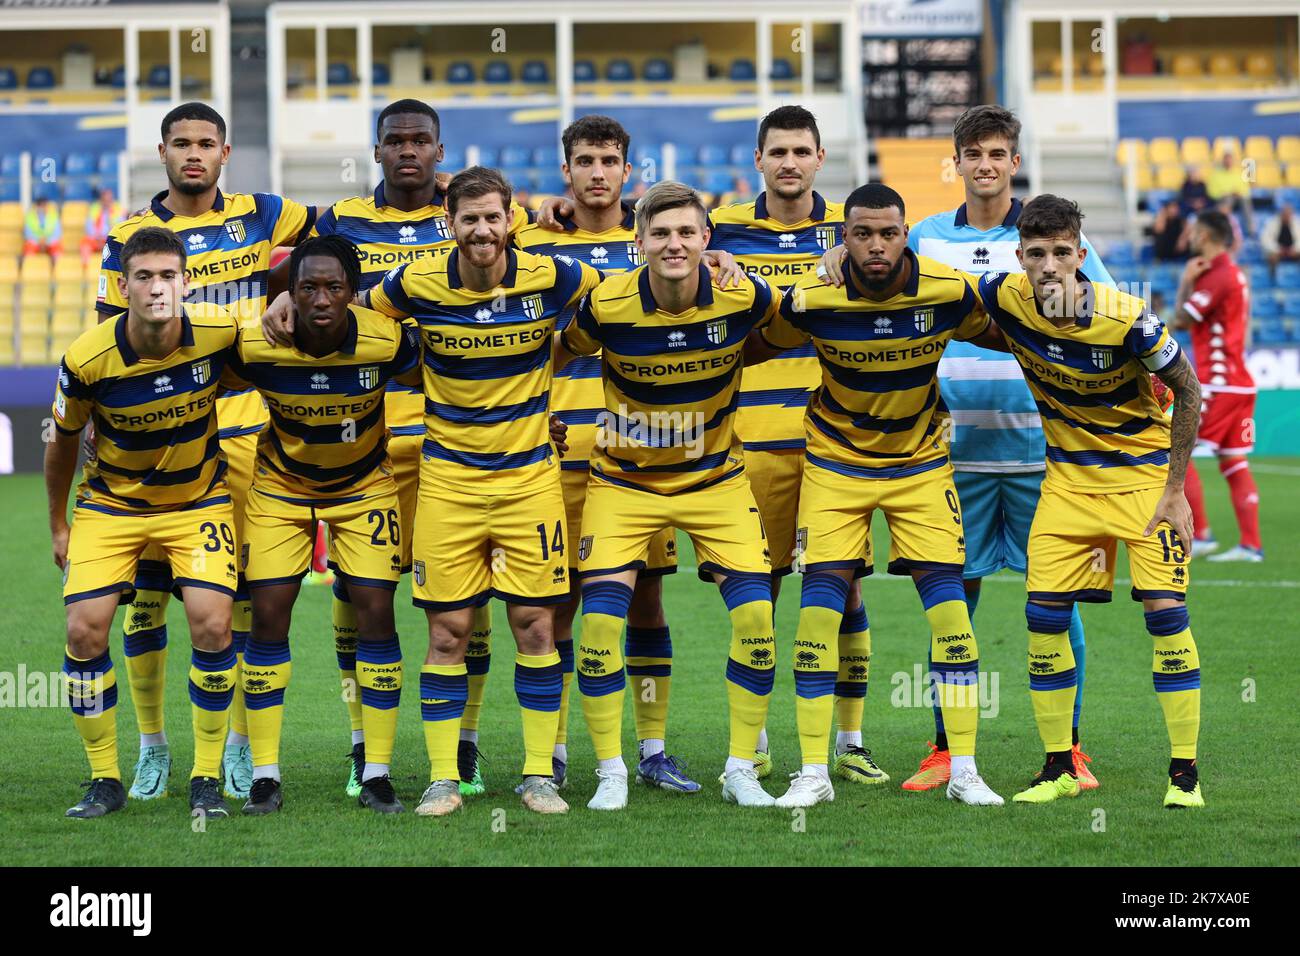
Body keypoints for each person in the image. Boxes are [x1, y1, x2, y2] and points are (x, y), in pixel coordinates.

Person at [817, 104, 1113, 791]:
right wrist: (838, 254)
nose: (985, 165)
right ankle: (946, 749)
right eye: (972, 153)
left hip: (1044, 451)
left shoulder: (1049, 236)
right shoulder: (922, 236)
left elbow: (1101, 310)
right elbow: (875, 269)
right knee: (953, 603)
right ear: (957, 161)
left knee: (1055, 602)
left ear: (1015, 161)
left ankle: (1068, 749)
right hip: (953, 454)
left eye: (997, 153)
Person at [748, 183, 1006, 808]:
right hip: (835, 467)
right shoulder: (814, 299)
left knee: (949, 612)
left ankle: (965, 768)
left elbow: (1013, 332)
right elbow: (743, 346)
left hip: (921, 466)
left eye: (888, 232)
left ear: (905, 232)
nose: (876, 245)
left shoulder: (947, 291)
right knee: (818, 611)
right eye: (861, 233)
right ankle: (814, 771)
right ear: (844, 237)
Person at [96, 101, 315, 804]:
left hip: (251, 436)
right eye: (181, 143)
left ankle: (238, 751)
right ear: (162, 152)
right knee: (147, 603)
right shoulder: (130, 237)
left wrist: (285, 293)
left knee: (239, 601)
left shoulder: (265, 213)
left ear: (226, 152)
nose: (194, 154)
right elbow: (113, 335)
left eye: (206, 143)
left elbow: (356, 232)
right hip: (164, 440)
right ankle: (153, 746)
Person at [367, 167, 602, 817]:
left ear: (510, 222)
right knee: (448, 632)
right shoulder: (414, 282)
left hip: (530, 485)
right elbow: (367, 316)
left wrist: (715, 255)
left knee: (535, 626)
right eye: (469, 219)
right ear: (450, 224)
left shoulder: (551, 275)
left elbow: (619, 292)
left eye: (492, 218)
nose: (481, 231)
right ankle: (444, 779)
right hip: (448, 486)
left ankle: (537, 777)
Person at [554, 180, 780, 810]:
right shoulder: (607, 304)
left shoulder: (743, 294)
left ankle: (741, 769)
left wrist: (837, 259)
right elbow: (551, 354)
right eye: (661, 233)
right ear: (639, 241)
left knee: (757, 618)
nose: (674, 244)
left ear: (708, 240)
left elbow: (797, 320)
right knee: (599, 620)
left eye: (687, 232)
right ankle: (612, 771)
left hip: (715, 480)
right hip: (623, 483)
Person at [975, 194, 1205, 809]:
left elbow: (1189, 388)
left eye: (1060, 252)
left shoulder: (1130, 320)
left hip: (1143, 486)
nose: (1048, 265)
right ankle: (1059, 766)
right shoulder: (1002, 295)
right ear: (1019, 257)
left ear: (1081, 254)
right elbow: (931, 291)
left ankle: (1184, 776)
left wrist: (1176, 489)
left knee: (1164, 615)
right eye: (1035, 253)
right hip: (1068, 486)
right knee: (1043, 618)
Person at [517, 115, 709, 795]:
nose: (597, 173)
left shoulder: (657, 238)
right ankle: (563, 748)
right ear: (564, 170)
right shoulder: (527, 237)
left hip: (640, 455)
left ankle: (653, 751)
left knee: (646, 605)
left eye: (609, 161)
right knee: (563, 606)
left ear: (629, 172)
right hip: (551, 456)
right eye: (584, 161)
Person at [708, 105, 882, 786]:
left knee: (844, 593)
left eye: (801, 151)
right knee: (761, 595)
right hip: (750, 445)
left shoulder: (854, 230)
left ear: (819, 159)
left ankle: (849, 740)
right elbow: (647, 248)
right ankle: (752, 744)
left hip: (836, 444)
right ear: (759, 160)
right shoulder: (721, 228)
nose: (788, 162)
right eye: (776, 151)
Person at [46, 226, 239, 819]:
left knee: (211, 625)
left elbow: (272, 370)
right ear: (123, 286)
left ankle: (206, 776)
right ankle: (105, 779)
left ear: (188, 281)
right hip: (112, 506)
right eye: (145, 277)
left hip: (198, 502)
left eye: (169, 276)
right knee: (84, 632)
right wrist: (59, 526)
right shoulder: (87, 357)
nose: (158, 288)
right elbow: (62, 442)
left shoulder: (219, 334)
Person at [224, 235, 420, 815]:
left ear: (353, 294)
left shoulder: (386, 342)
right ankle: (264, 776)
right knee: (267, 614)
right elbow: (202, 380)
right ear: (288, 292)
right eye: (307, 286)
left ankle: (377, 772)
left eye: (334, 286)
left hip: (365, 488)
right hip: (282, 489)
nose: (321, 298)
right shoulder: (257, 345)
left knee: (377, 611)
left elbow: (449, 383)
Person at [1173, 209, 1262, 562]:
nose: (1191, 237)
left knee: (1177, 450)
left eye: (1195, 231)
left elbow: (1181, 319)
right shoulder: (1234, 274)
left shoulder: (1218, 276)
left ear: (1206, 236)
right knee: (1234, 462)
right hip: (1240, 383)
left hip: (1217, 383)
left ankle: (1203, 535)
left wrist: (1184, 282)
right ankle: (1251, 546)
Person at [1206, 152, 1254, 234]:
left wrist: (1239, 193)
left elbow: (1245, 188)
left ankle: (1251, 229)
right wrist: (1224, 193)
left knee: (1246, 199)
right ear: (1223, 161)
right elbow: (1211, 191)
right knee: (1227, 200)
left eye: (1230, 160)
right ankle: (1226, 229)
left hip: (1237, 197)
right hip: (1224, 198)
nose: (1228, 162)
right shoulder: (1216, 174)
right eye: (1226, 160)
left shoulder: (1238, 173)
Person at [82, 187, 123, 263]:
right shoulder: (94, 209)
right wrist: (97, 237)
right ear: (101, 200)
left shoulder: (117, 209)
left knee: (118, 244)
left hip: (109, 239)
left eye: (109, 200)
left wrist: (107, 237)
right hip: (96, 239)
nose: (107, 202)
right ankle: (85, 268)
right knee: (85, 243)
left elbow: (119, 228)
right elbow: (88, 226)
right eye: (105, 200)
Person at [1259, 202, 1296, 274]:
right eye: (1285, 214)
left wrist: (1293, 249)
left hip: (1292, 251)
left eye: (1289, 214)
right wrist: (1278, 249)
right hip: (1277, 251)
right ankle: (1273, 279)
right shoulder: (1272, 223)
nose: (1287, 216)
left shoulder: (1297, 224)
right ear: (1281, 214)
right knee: (1272, 258)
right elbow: (1265, 240)